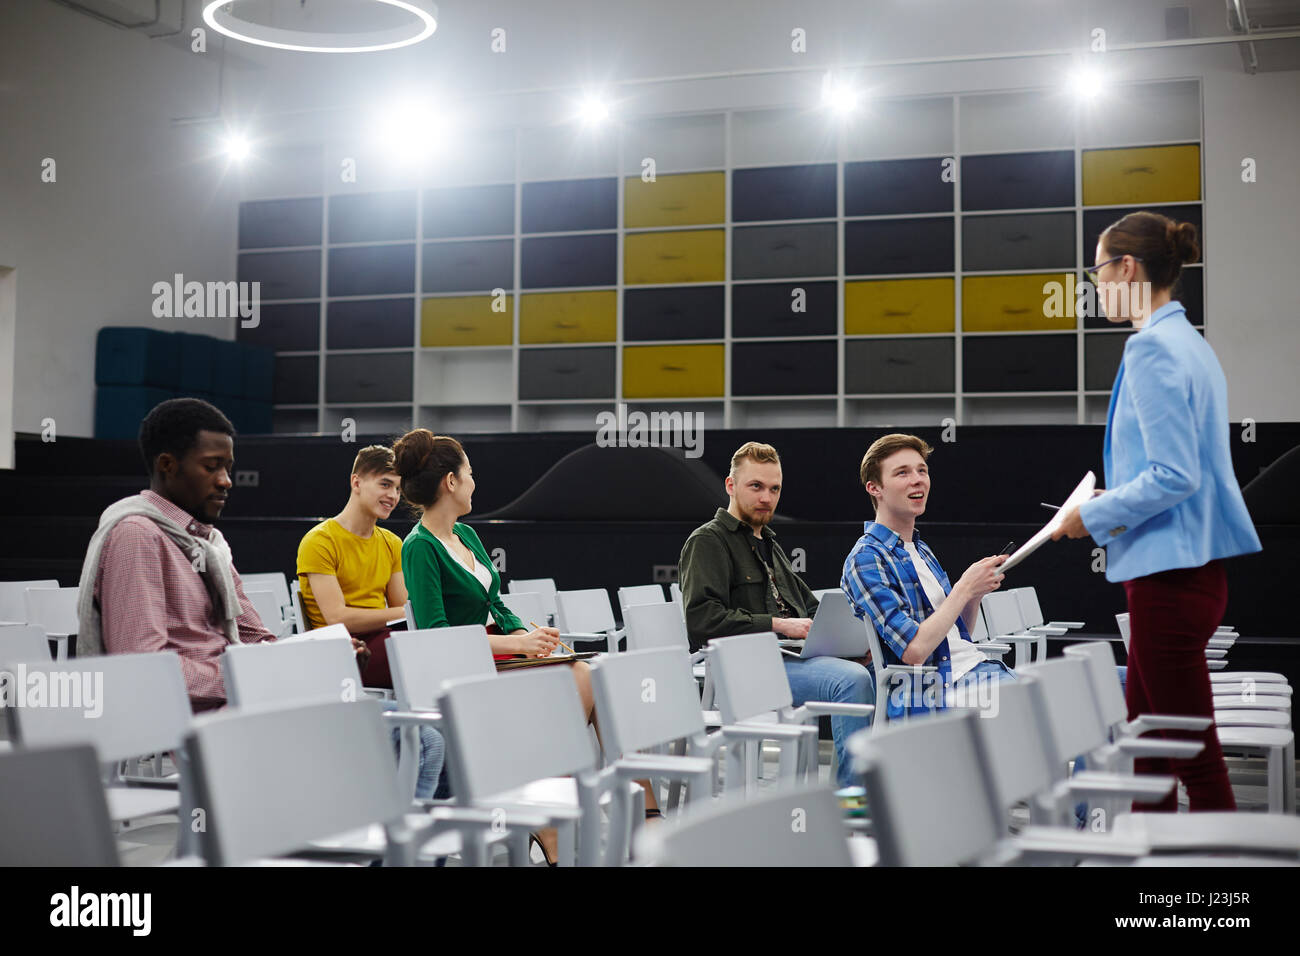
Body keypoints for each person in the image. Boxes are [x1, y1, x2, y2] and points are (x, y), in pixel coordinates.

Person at [77, 398, 442, 798]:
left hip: (246, 699)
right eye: (211, 466)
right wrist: (250, 677)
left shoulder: (209, 542)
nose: (226, 480)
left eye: (228, 468)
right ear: (167, 465)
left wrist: (312, 658)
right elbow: (143, 669)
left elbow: (256, 637)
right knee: (413, 741)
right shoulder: (137, 535)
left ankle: (365, 851)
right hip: (203, 718)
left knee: (430, 736)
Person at [1053, 211, 1261, 813]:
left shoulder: (1151, 348)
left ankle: (1220, 903)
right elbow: (1176, 470)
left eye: (1097, 270)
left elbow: (1174, 476)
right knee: (1151, 754)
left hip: (1171, 581)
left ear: (1126, 267)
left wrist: (1087, 518)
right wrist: (1102, 501)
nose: (1094, 284)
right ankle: (1151, 888)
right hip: (1187, 576)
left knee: (1192, 758)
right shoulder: (1191, 344)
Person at [392, 428, 659, 861]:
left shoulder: (467, 537)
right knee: (583, 674)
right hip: (460, 673)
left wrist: (525, 635)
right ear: (451, 482)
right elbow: (438, 637)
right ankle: (568, 810)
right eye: (470, 474)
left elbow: (497, 605)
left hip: (493, 659)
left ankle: (628, 806)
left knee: (598, 673)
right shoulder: (419, 547)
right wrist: (517, 647)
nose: (475, 483)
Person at [679, 441, 875, 788]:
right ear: (731, 486)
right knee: (852, 680)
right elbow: (701, 622)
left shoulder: (769, 543)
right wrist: (778, 624)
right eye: (756, 486)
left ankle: (878, 785)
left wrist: (850, 640)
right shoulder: (708, 541)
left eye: (774, 489)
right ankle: (851, 799)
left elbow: (809, 606)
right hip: (746, 670)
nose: (766, 498)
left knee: (878, 667)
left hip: (788, 659)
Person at [841, 433, 1012, 722]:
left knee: (1098, 691)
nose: (918, 479)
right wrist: (962, 589)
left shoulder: (921, 550)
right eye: (902, 473)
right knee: (1068, 707)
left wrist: (973, 596)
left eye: (922, 470)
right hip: (936, 689)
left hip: (976, 671)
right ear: (874, 488)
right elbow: (914, 651)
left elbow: (956, 635)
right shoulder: (867, 558)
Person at [297, 444, 408, 688]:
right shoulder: (319, 540)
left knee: (434, 642)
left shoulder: (392, 543)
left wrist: (410, 614)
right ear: (356, 483)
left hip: (382, 640)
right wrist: (409, 613)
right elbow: (337, 617)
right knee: (420, 651)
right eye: (385, 484)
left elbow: (403, 610)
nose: (393, 495)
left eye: (398, 489)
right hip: (342, 650)